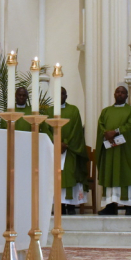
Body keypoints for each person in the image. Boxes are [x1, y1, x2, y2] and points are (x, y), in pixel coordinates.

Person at [96, 85, 131, 216]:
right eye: (118, 92)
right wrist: (105, 133)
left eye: (123, 92)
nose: (120, 94)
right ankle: (110, 206)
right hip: (110, 151)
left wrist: (116, 132)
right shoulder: (106, 112)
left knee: (125, 174)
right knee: (110, 174)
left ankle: (129, 205)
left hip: (125, 151)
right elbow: (101, 125)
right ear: (114, 94)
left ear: (127, 96)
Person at [55, 87, 88, 215]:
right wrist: (56, 143)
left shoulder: (73, 110)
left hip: (70, 151)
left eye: (62, 94)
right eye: (58, 94)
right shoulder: (50, 111)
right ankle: (59, 205)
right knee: (57, 177)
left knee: (70, 174)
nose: (60, 96)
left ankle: (71, 205)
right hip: (55, 151)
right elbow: (46, 129)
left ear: (66, 96)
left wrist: (65, 143)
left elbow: (77, 130)